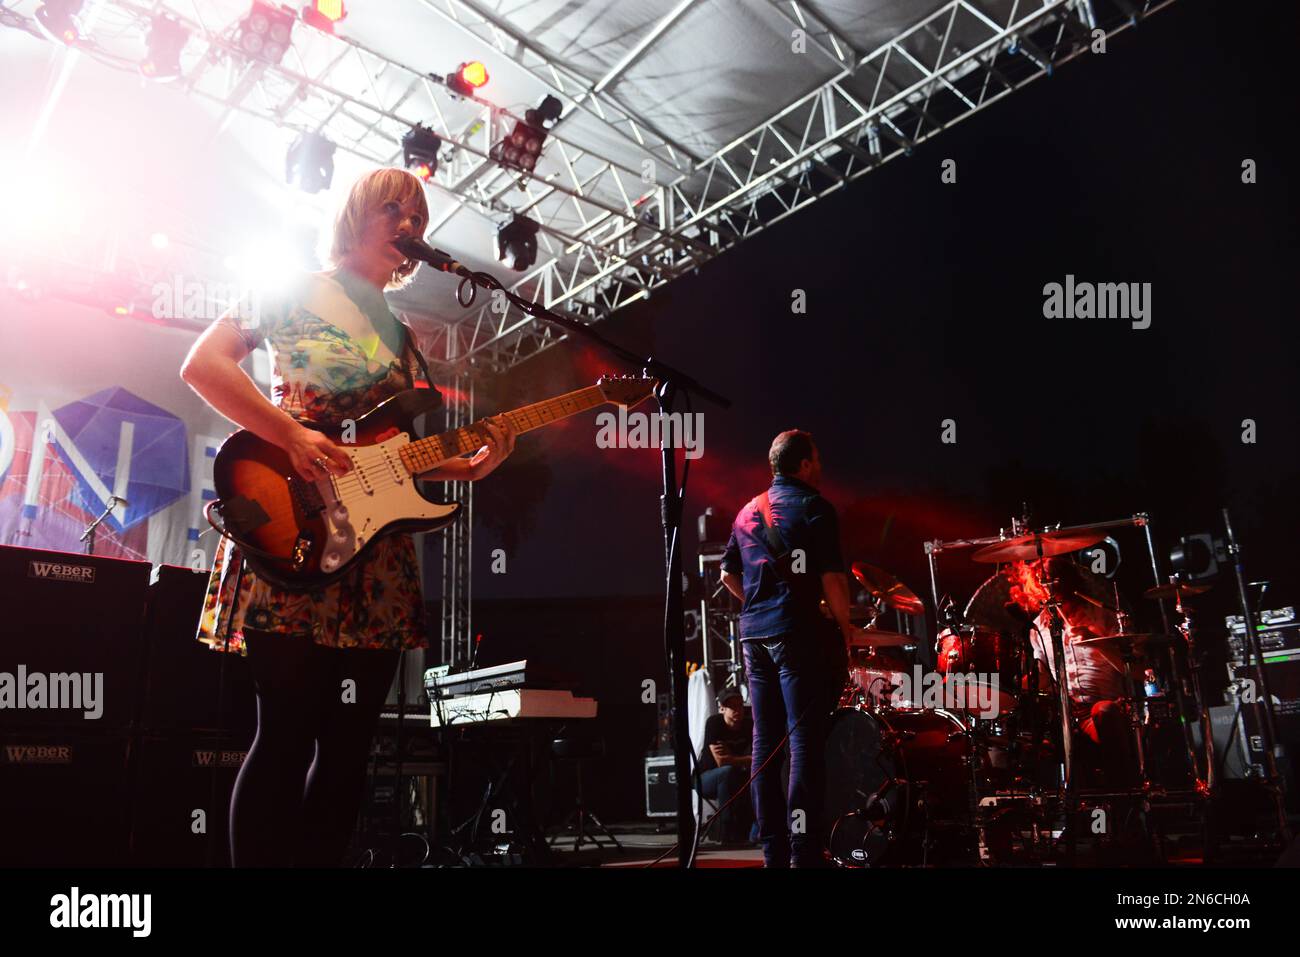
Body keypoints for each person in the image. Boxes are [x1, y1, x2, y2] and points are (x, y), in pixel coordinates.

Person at [180, 167, 517, 866]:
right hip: (292, 517)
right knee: (284, 735)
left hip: (377, 558)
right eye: (397, 209)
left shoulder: (403, 333)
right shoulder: (296, 288)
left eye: (420, 219)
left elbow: (394, 458)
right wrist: (292, 434)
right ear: (357, 214)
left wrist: (469, 464)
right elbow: (203, 364)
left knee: (349, 748)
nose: (410, 227)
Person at [720, 429, 852, 868]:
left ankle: (773, 852)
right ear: (804, 465)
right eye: (818, 459)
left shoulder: (745, 512)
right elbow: (833, 578)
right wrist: (846, 628)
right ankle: (803, 854)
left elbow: (726, 575)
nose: (822, 467)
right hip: (796, 634)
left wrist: (758, 605)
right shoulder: (816, 507)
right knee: (802, 746)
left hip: (753, 637)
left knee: (764, 745)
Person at [1010, 557, 1137, 784]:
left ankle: (1126, 794)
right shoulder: (1038, 628)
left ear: (1069, 580)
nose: (1050, 585)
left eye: (1055, 578)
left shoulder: (1104, 616)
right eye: (1043, 581)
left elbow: (1134, 670)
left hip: (1108, 704)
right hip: (1066, 711)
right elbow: (1044, 678)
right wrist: (1014, 689)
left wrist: (1096, 640)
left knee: (1104, 711)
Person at [695, 686, 754, 843]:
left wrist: (732, 757)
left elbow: (758, 760)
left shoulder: (749, 725)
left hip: (736, 776)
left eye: (740, 705)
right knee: (726, 772)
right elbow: (721, 762)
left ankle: (754, 830)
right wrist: (744, 758)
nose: (737, 710)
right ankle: (726, 830)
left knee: (755, 776)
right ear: (721, 708)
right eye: (732, 706)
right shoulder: (714, 723)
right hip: (705, 779)